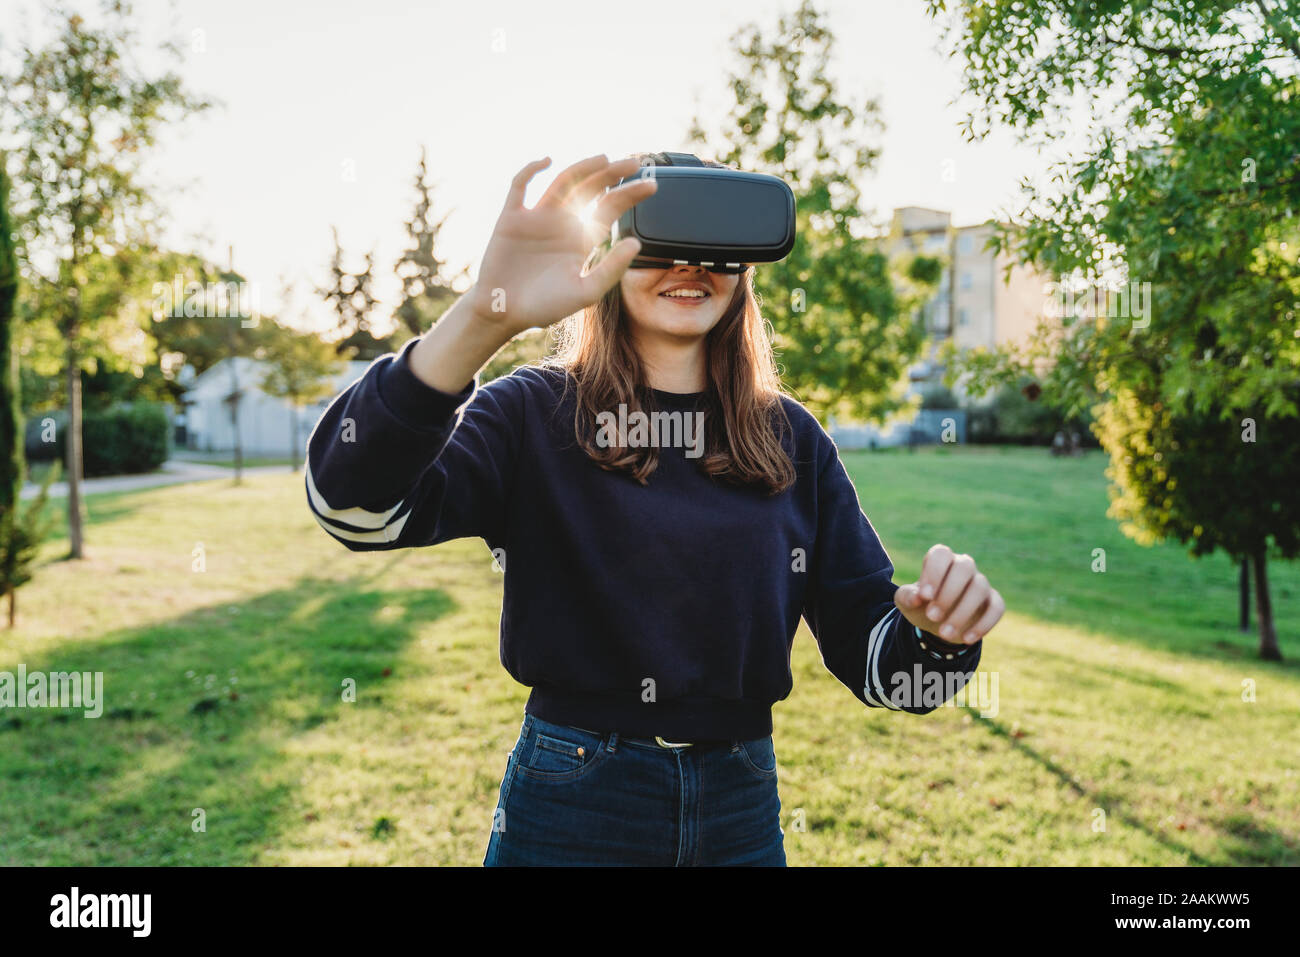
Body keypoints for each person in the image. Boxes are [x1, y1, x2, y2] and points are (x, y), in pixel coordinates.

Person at [305, 152, 1005, 866]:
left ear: (745, 266)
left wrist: (937, 634)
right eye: (659, 239)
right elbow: (352, 506)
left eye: (716, 247)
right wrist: (488, 314)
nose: (690, 264)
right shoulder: (532, 412)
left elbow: (882, 667)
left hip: (741, 805)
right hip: (573, 800)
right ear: (607, 252)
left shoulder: (790, 437)